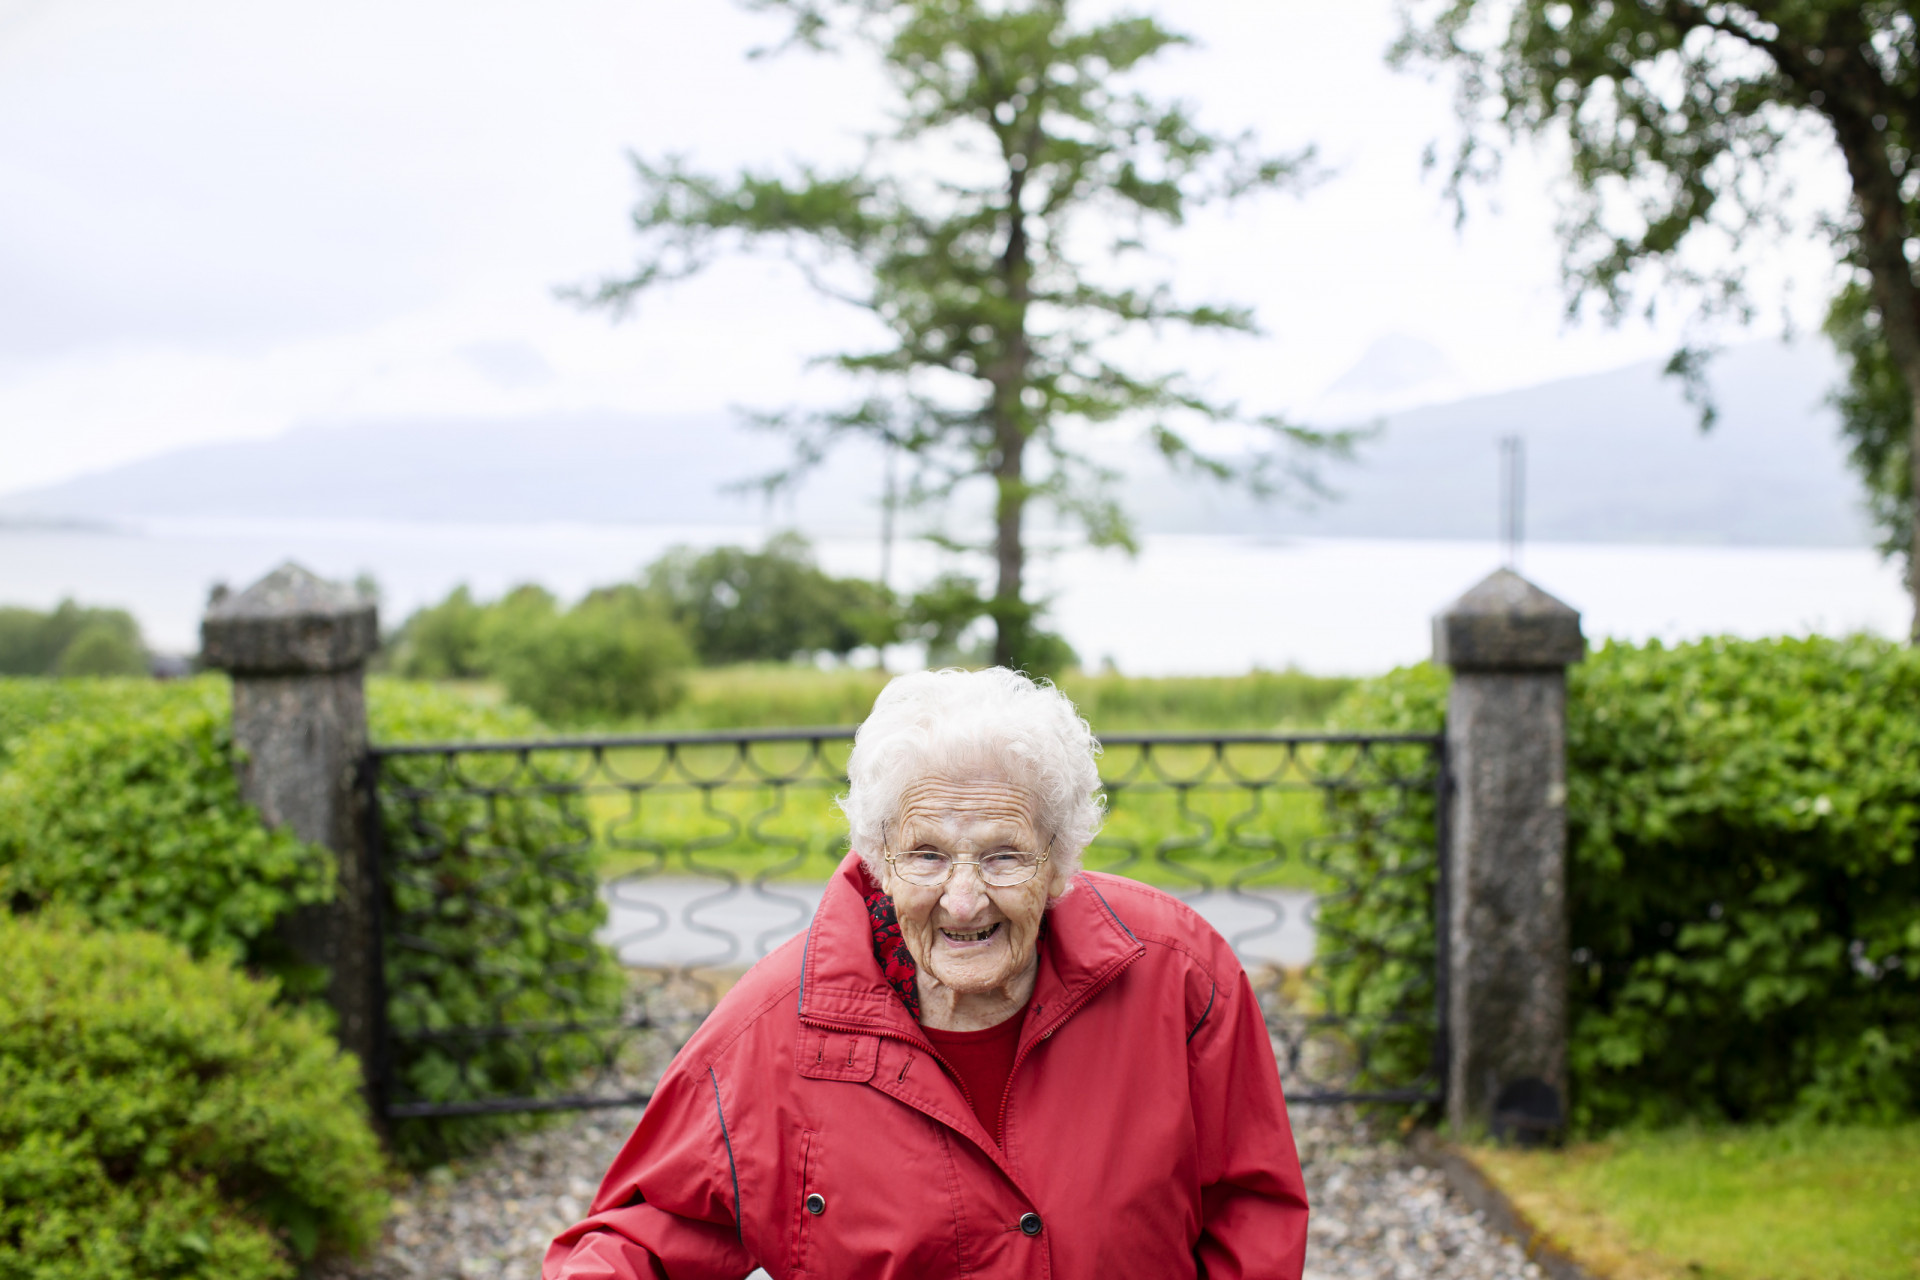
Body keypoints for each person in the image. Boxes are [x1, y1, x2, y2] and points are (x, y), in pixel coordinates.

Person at [545, 667, 1309, 1279]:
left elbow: (1252, 1213)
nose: (964, 896)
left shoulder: (1179, 976)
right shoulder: (774, 1028)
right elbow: (646, 1234)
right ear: (879, 859)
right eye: (928, 854)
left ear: (1060, 859)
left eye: (1006, 854)